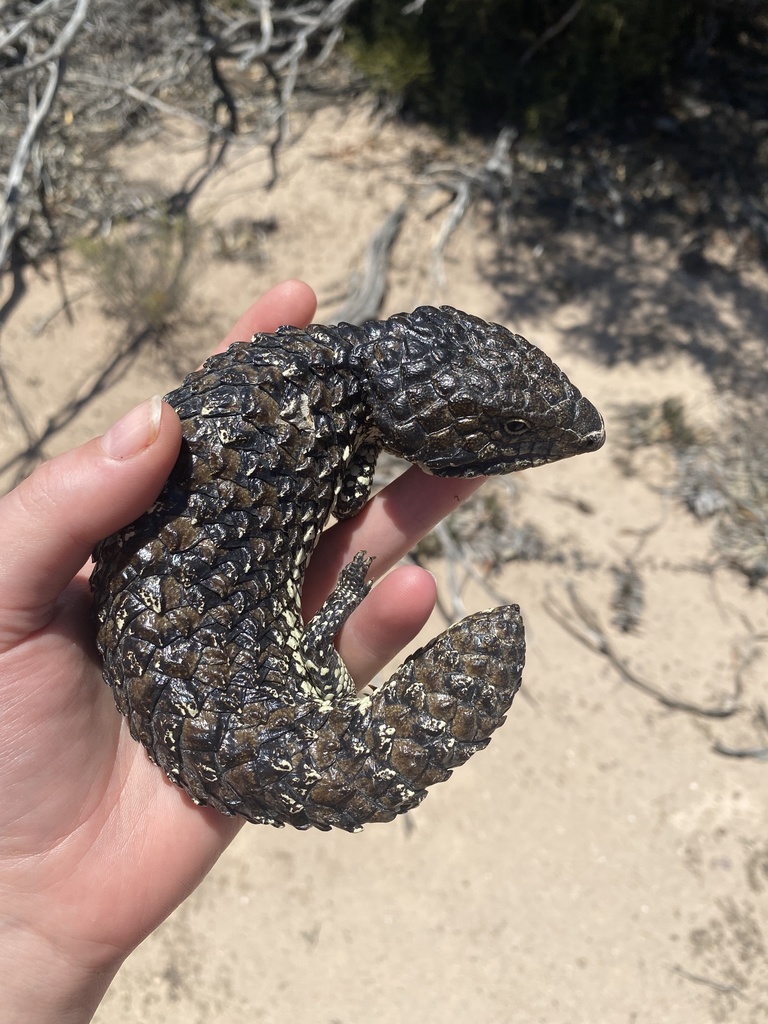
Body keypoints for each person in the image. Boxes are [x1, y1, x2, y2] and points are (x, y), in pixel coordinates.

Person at [0, 280, 483, 1023]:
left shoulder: (327, 386)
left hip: (222, 687)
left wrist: (31, 936)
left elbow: (347, 488)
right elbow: (349, 492)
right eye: (502, 430)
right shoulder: (336, 402)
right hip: (223, 689)